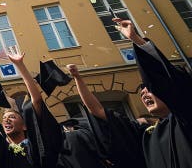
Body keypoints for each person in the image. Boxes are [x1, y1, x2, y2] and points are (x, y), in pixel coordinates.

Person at [72, 17, 191, 168]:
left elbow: (169, 78)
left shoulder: (185, 116)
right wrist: (77, 78)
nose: (144, 94)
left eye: (149, 89)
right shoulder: (145, 136)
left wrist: (135, 39)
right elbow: (98, 111)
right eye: (141, 93)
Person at [0, 48, 62, 168]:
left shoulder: (35, 145)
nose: (6, 120)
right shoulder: (2, 150)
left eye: (12, 117)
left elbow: (36, 100)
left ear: (25, 125)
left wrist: (19, 65)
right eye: (4, 118)